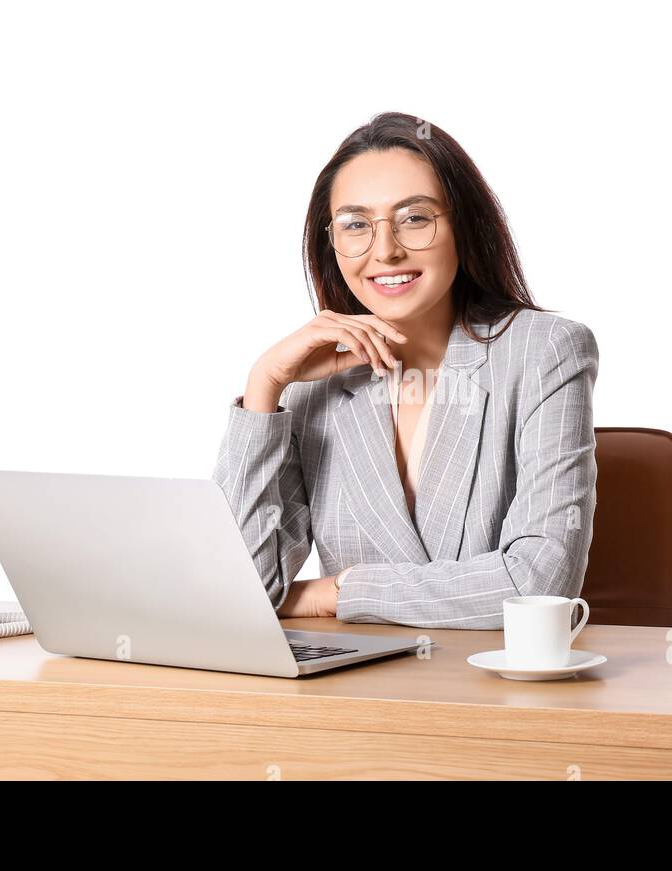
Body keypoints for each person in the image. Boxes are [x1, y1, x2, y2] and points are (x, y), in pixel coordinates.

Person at [212, 111, 599, 630]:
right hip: (353, 690)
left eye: (414, 218)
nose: (386, 250)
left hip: (496, 688)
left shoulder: (545, 351)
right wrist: (263, 387)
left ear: (463, 224)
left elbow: (535, 585)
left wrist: (342, 590)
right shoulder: (314, 386)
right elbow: (231, 591)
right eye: (355, 225)